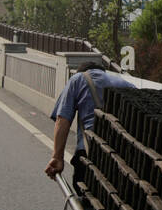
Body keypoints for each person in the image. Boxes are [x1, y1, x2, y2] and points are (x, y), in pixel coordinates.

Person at [45, 57, 135, 186]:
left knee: (84, 195)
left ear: (82, 71)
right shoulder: (124, 82)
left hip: (90, 149)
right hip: (123, 153)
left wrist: (57, 157)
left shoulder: (78, 79)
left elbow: (62, 119)